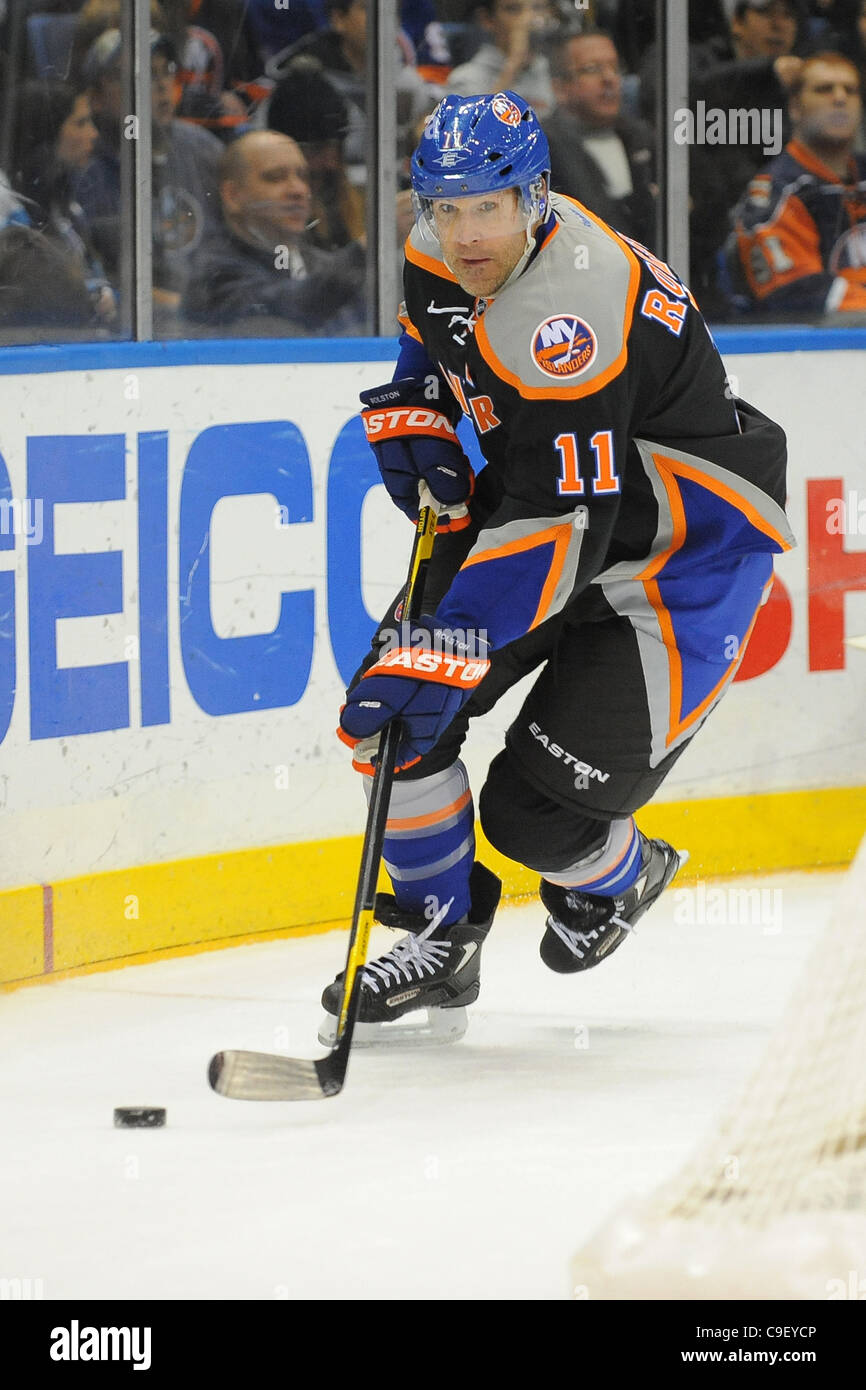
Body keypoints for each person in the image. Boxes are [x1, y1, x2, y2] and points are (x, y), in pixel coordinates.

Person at [319, 90, 794, 1046]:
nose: (462, 234)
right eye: (442, 207)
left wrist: (451, 644)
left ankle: (627, 874)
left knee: (534, 817)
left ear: (534, 197)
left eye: (485, 207)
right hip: (550, 501)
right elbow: (436, 331)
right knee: (393, 718)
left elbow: (566, 521)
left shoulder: (568, 312)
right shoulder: (441, 246)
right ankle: (441, 937)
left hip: (672, 560)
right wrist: (415, 403)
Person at [180, 129, 366, 331]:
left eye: (304, 176)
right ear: (232, 195)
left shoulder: (322, 265)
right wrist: (366, 249)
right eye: (275, 177)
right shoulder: (214, 274)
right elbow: (282, 309)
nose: (298, 190)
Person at [730, 51, 866, 314]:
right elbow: (795, 296)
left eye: (850, 90)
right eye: (824, 89)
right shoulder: (776, 192)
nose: (840, 98)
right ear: (794, 107)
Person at [545, 28, 655, 246]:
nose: (609, 78)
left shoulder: (642, 136)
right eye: (592, 69)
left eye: (615, 68)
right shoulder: (544, 148)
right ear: (560, 88)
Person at [445, 0, 558, 116]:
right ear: (487, 19)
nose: (528, 19)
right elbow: (471, 131)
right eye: (513, 9)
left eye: (538, 8)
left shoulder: (554, 70)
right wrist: (513, 65)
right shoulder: (466, 79)